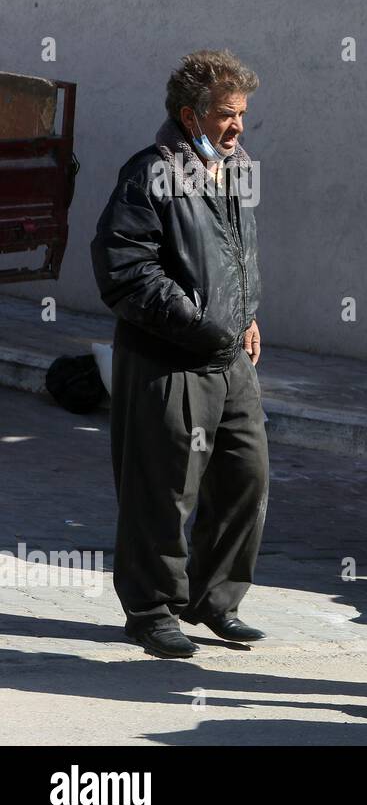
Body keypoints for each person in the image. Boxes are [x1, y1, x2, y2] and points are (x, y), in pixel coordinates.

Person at [90, 49, 268, 659]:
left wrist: (244, 316)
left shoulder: (238, 167)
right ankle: (150, 609)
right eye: (225, 114)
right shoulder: (151, 172)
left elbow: (236, 255)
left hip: (230, 354)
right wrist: (202, 323)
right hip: (170, 357)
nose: (238, 125)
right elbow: (124, 270)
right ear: (191, 116)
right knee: (163, 487)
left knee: (247, 475)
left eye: (242, 113)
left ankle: (216, 601)